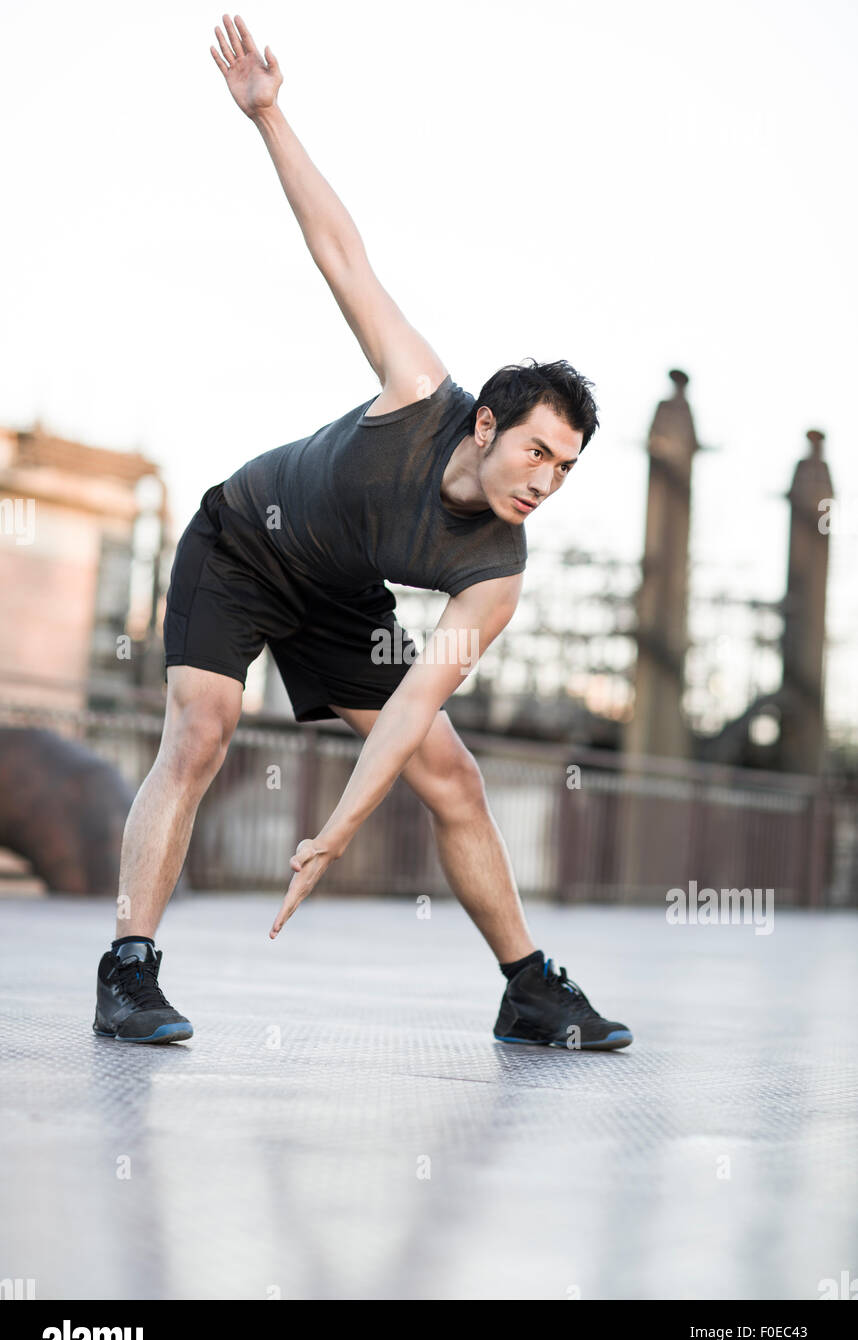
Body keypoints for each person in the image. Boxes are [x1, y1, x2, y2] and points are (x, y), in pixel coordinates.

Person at [93, 13, 633, 1053]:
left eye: (565, 469)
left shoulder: (495, 573)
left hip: (338, 601)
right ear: (487, 423)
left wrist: (334, 831)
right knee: (200, 729)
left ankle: (527, 985)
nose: (546, 482)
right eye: (536, 453)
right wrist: (268, 116)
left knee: (453, 771)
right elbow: (337, 247)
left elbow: (411, 706)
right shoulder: (420, 386)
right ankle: (128, 972)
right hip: (243, 544)